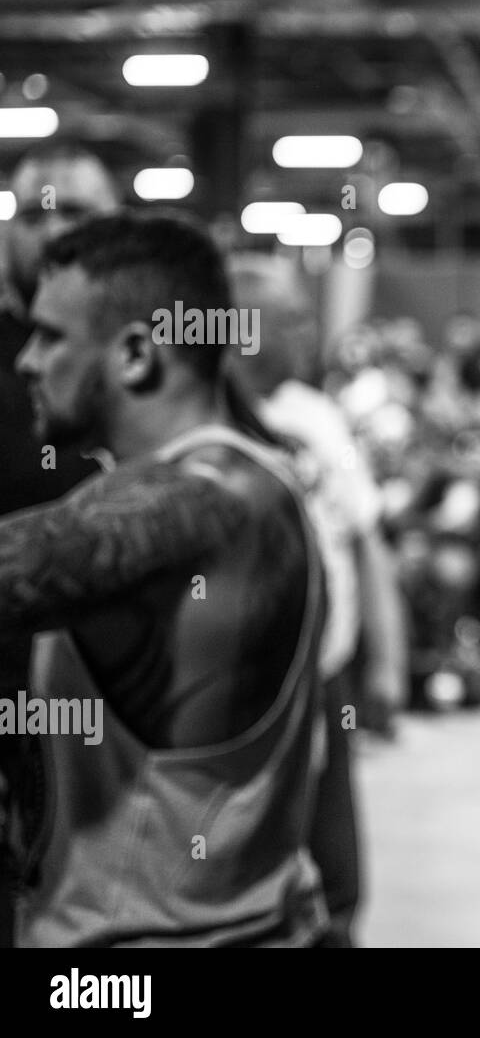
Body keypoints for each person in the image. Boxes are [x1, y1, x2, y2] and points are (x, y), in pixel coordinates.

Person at [0, 212, 330, 946]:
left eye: (51, 337)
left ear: (136, 356)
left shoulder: (215, 499)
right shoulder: (227, 478)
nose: (25, 360)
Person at [225, 254, 410, 945]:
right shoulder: (203, 424)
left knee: (336, 875)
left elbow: (366, 543)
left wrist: (387, 663)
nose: (310, 329)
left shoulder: (316, 417)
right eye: (293, 317)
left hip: (325, 684)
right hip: (244, 699)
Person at [0, 140, 119, 946]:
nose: (55, 227)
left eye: (77, 209)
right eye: (39, 209)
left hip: (131, 697)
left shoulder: (155, 353)